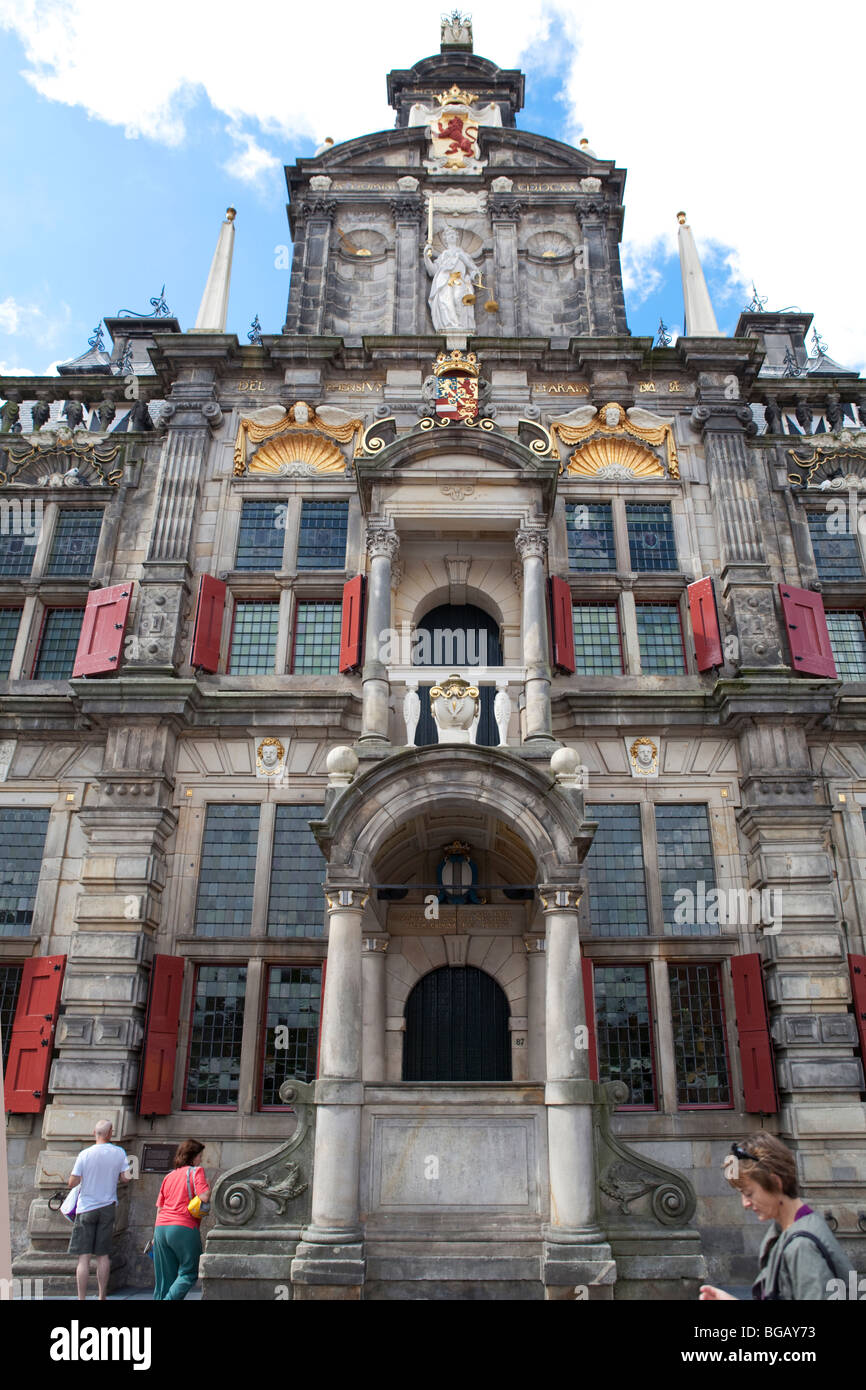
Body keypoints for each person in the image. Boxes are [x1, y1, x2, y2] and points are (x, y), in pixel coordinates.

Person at [699, 1134, 854, 1300]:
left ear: (775, 1183)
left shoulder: (802, 1246)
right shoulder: (795, 1229)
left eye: (749, 1193)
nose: (745, 1203)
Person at [67, 1120, 132, 1300]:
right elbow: (126, 1178)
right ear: (110, 1133)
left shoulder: (85, 1154)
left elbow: (73, 1181)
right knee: (103, 1255)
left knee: (84, 1257)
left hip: (86, 1207)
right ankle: (102, 1295)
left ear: (94, 1132)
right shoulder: (119, 1152)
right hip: (107, 1206)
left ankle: (82, 1297)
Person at [153, 1140, 210, 1300]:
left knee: (164, 1279)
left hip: (161, 1228)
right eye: (199, 1156)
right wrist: (209, 1188)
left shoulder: (169, 1176)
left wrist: (154, 1237)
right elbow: (204, 1196)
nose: (200, 1160)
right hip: (183, 1226)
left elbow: (159, 1207)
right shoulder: (196, 1172)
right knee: (189, 1272)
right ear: (193, 1157)